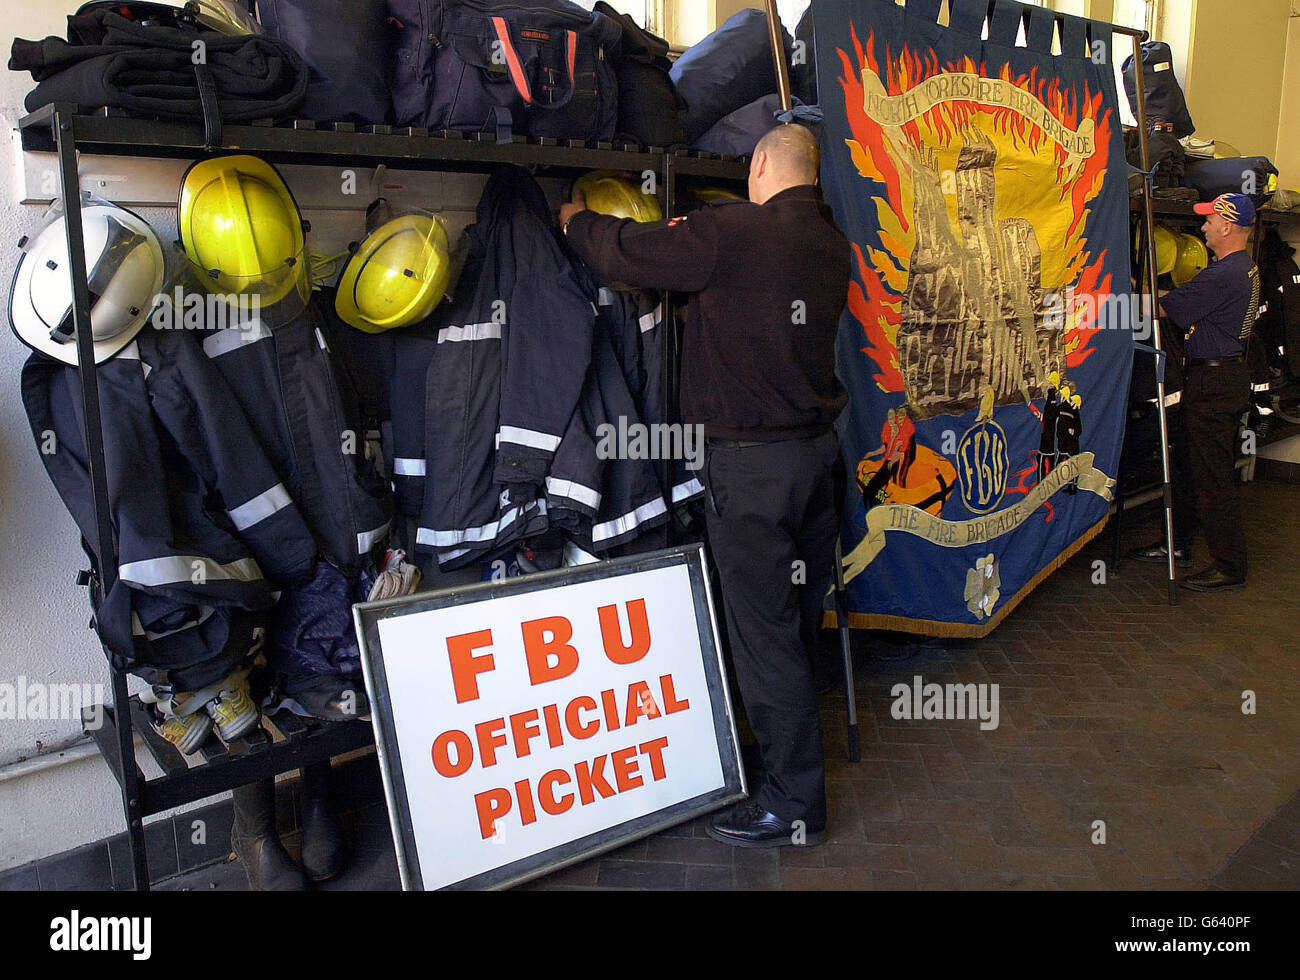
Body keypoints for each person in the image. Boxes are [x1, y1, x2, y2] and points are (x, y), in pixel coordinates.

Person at [560, 124, 850, 847]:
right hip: (817, 461)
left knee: (764, 638)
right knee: (794, 623)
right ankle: (789, 761)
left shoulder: (733, 231)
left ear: (758, 166)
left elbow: (626, 252)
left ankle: (793, 805)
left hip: (750, 473)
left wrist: (575, 220)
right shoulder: (832, 243)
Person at [1130, 193, 1260, 590]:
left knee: (1211, 475)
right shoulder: (1240, 268)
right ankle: (1180, 542)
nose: (1202, 228)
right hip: (1218, 378)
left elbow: (1165, 309)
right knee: (1187, 464)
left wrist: (1116, 293)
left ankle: (1230, 565)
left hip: (1213, 383)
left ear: (1227, 225)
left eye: (1208, 221)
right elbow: (1182, 301)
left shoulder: (1227, 273)